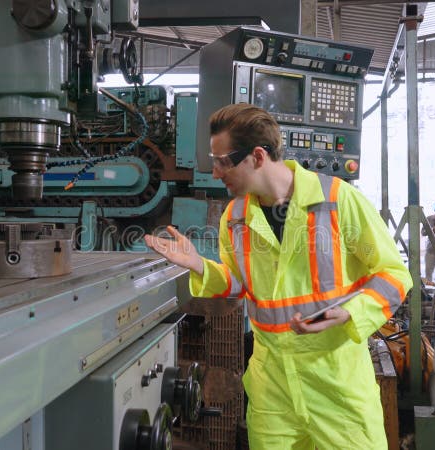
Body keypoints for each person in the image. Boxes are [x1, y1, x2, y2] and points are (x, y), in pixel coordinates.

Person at [145, 103, 411, 449]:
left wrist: (351, 312)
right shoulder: (235, 217)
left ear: (257, 156)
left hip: (337, 386)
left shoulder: (337, 201)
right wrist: (199, 265)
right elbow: (241, 283)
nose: (215, 172)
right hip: (272, 391)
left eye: (223, 161)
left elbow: (393, 274)